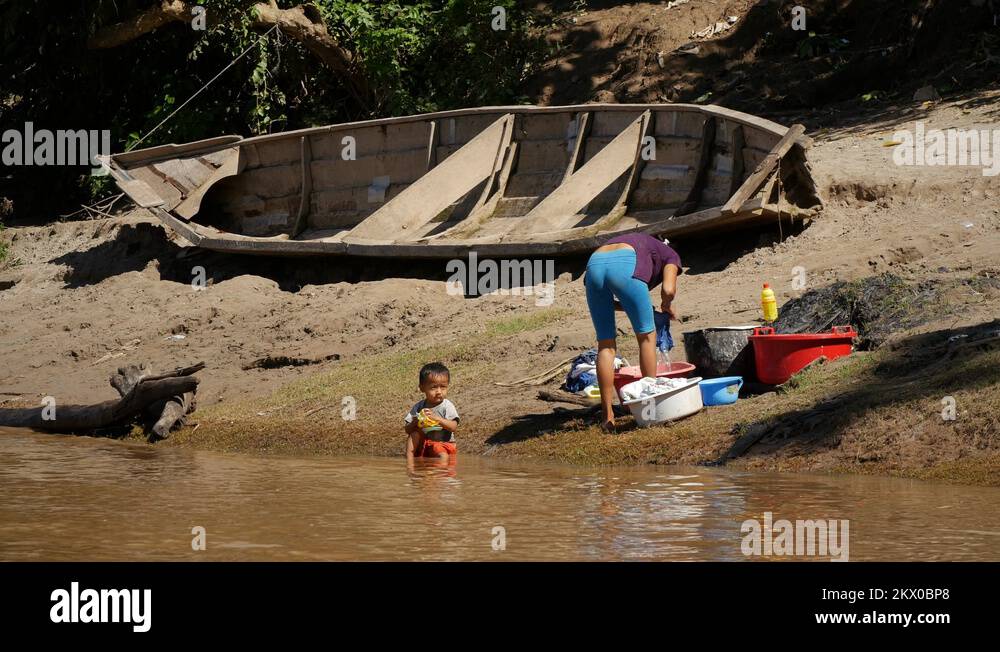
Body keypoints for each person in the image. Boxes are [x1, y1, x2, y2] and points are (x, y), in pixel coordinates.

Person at [584, 233, 682, 432]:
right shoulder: (670, 255)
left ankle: (607, 415)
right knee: (646, 337)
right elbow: (669, 290)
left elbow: (609, 303)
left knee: (606, 345)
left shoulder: (638, 242)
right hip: (626, 265)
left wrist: (637, 307)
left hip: (593, 265)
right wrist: (666, 305)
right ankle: (649, 409)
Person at [404, 362, 460, 462]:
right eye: (433, 387)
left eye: (443, 387)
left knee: (438, 448)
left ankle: (441, 471)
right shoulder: (419, 407)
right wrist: (414, 422)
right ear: (422, 388)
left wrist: (438, 419)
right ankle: (410, 463)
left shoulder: (447, 406)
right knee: (414, 434)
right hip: (425, 444)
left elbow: (453, 427)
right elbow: (407, 430)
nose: (439, 391)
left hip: (444, 444)